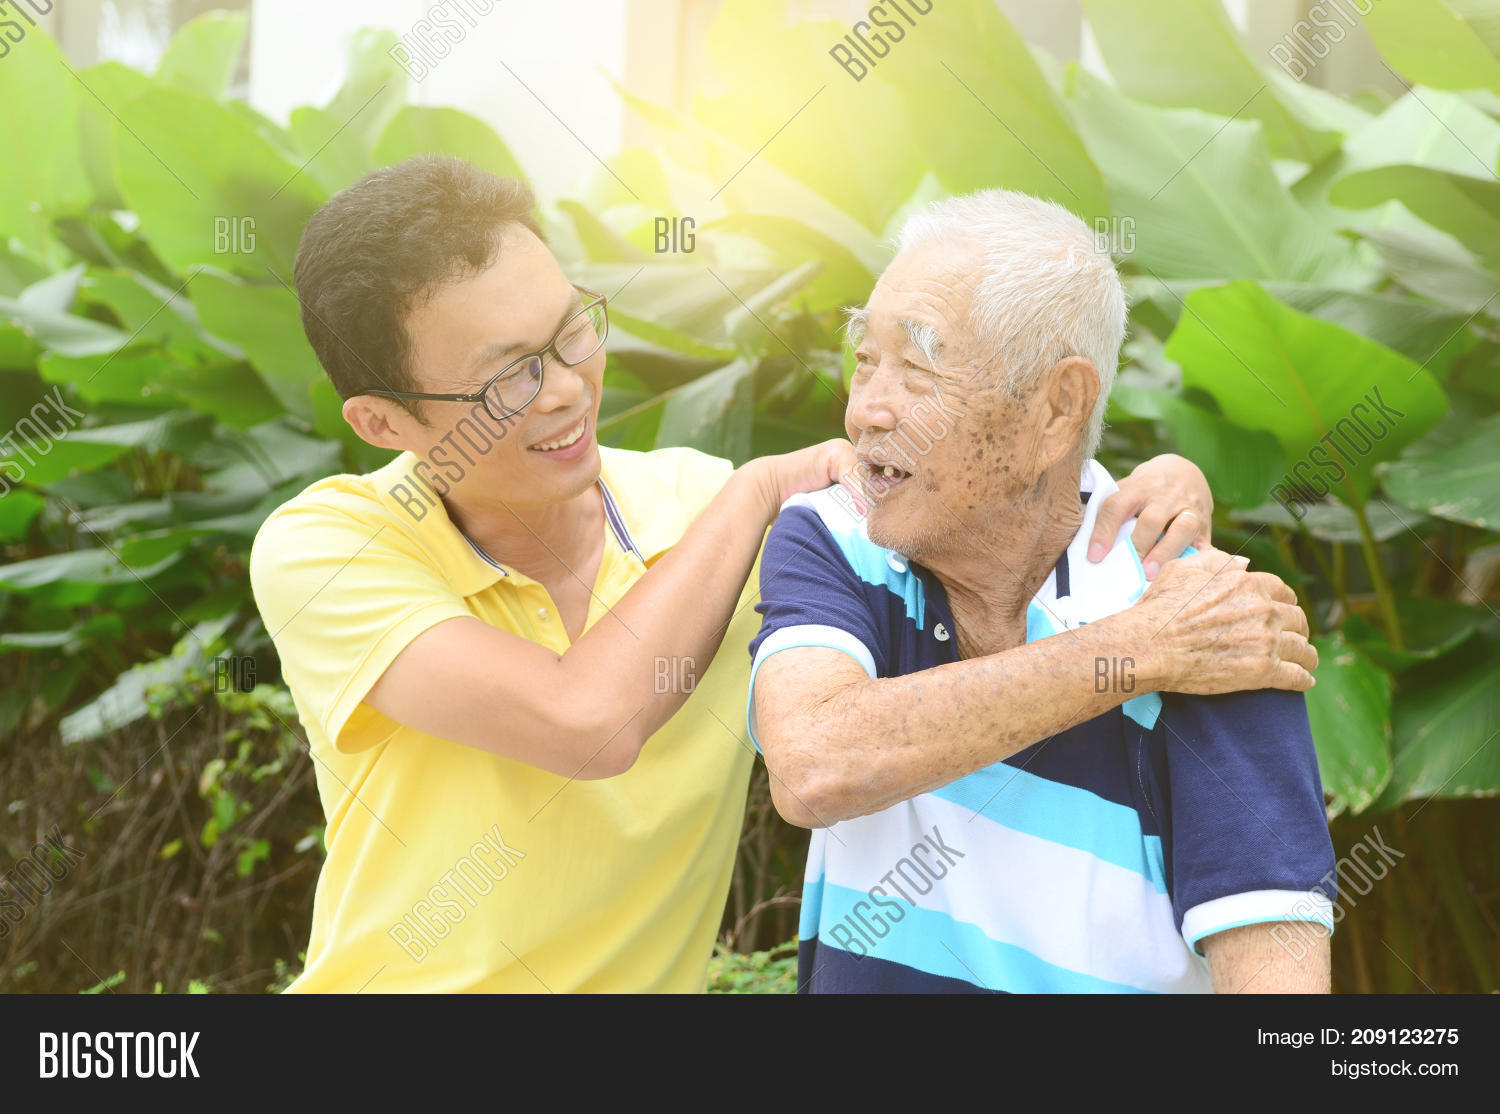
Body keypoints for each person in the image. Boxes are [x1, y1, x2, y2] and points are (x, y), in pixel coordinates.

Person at [249, 157, 1315, 992]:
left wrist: (1150, 484)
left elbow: (979, 486)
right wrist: (758, 489)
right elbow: (593, 722)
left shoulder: (705, 509)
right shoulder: (331, 547)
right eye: (506, 377)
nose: (567, 389)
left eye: (572, 331)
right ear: (383, 422)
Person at [749, 189, 1334, 994]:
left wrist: (1169, 637)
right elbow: (817, 764)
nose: (865, 409)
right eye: (865, 359)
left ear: (1057, 411)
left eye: (917, 369)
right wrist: (1142, 650)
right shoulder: (836, 537)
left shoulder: (1214, 618)